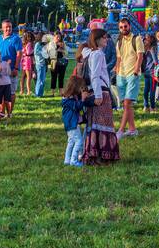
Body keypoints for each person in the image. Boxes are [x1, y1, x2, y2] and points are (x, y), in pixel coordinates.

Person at [78, 28, 120, 165]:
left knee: (96, 124)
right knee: (102, 123)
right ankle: (100, 155)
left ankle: (95, 154)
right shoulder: (97, 54)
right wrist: (98, 95)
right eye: (104, 38)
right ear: (97, 40)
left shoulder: (91, 53)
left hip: (97, 89)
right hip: (100, 91)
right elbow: (95, 75)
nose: (106, 40)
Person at [115, 19, 145, 136]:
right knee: (126, 105)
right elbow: (118, 58)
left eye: (125, 26)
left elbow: (140, 56)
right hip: (121, 75)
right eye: (121, 27)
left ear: (130, 26)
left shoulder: (136, 39)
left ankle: (121, 130)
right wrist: (117, 71)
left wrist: (136, 70)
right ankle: (132, 129)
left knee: (127, 103)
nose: (123, 29)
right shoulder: (119, 41)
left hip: (132, 74)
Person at [60, 73, 94, 166]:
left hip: (71, 123)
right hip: (72, 124)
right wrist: (82, 99)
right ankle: (74, 161)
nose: (81, 91)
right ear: (75, 88)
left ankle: (67, 160)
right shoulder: (67, 100)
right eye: (80, 88)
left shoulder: (70, 97)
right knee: (79, 141)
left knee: (71, 142)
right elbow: (77, 106)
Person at [0, 20, 23, 99]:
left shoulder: (16, 38)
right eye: (6, 27)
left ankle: (10, 111)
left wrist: (16, 68)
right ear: (2, 28)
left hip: (11, 69)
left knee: (11, 93)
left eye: (10, 27)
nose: (8, 29)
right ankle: (2, 111)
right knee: (1, 93)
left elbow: (19, 54)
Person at [0, 48, 15, 120]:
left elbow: (9, 73)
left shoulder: (4, 63)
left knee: (7, 100)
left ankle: (9, 114)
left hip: (7, 83)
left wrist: (8, 66)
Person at [141, 36, 158, 112]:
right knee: (152, 90)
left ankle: (145, 106)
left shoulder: (144, 49)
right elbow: (155, 61)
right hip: (153, 72)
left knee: (146, 89)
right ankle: (152, 107)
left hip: (145, 71)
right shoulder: (153, 48)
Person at [19, 32, 36, 96]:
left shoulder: (24, 44)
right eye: (29, 36)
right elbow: (29, 52)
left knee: (23, 76)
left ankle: (22, 91)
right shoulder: (29, 44)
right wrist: (34, 50)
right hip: (28, 60)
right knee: (29, 77)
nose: (30, 38)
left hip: (24, 60)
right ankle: (28, 91)